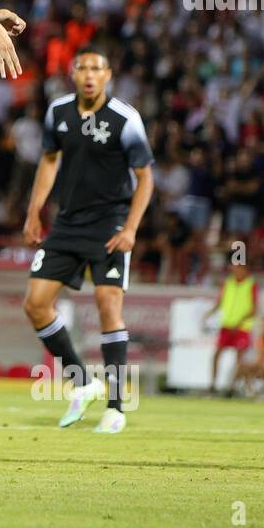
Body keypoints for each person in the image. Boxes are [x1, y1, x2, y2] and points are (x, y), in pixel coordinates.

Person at [21, 49, 155, 433]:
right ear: (73, 74)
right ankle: (83, 382)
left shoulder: (126, 119)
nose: (90, 75)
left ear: (108, 75)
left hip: (109, 225)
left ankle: (115, 407)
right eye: (82, 68)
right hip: (67, 225)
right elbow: (49, 160)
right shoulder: (57, 112)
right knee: (36, 304)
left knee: (107, 304)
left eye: (97, 69)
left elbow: (145, 177)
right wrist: (34, 211)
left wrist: (130, 229)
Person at [204, 260, 259, 393]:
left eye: (237, 268)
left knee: (238, 358)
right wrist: (209, 313)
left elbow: (254, 308)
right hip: (227, 325)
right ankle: (213, 385)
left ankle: (232, 387)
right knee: (217, 355)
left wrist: (239, 323)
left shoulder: (251, 285)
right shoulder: (228, 283)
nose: (235, 270)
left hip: (242, 327)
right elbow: (221, 301)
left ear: (244, 269)